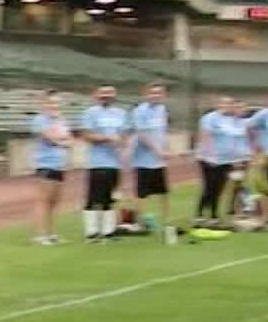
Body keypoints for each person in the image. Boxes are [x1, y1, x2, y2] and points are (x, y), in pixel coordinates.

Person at [77, 83, 129, 242]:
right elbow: (86, 135)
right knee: (93, 198)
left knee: (110, 198)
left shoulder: (121, 113)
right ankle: (91, 232)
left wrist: (121, 142)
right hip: (97, 162)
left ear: (114, 95)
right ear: (97, 95)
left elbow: (124, 136)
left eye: (109, 92)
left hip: (115, 162)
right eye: (103, 92)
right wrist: (107, 138)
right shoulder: (90, 113)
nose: (106, 95)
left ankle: (108, 231)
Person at [195, 95, 249, 224]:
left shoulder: (229, 120)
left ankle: (213, 215)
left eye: (229, 103)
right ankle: (201, 214)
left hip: (225, 160)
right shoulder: (209, 118)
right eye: (223, 103)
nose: (226, 106)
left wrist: (236, 159)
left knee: (219, 188)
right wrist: (209, 155)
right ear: (217, 104)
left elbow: (232, 140)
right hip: (208, 158)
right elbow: (205, 136)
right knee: (209, 187)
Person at [128, 81, 171, 236]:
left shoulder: (162, 109)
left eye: (159, 93)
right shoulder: (140, 111)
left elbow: (163, 132)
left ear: (163, 95)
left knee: (163, 191)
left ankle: (167, 221)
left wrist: (166, 149)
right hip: (143, 159)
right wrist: (157, 151)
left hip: (159, 161)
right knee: (141, 193)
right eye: (153, 93)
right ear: (146, 94)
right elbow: (141, 135)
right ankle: (139, 224)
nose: (156, 95)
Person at [28, 91, 72, 245]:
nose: (54, 105)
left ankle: (50, 233)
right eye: (51, 102)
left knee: (54, 201)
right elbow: (50, 138)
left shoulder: (61, 120)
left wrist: (61, 140)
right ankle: (40, 235)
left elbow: (68, 139)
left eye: (57, 102)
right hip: (45, 163)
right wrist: (61, 140)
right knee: (43, 200)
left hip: (59, 164)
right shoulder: (40, 120)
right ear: (44, 104)